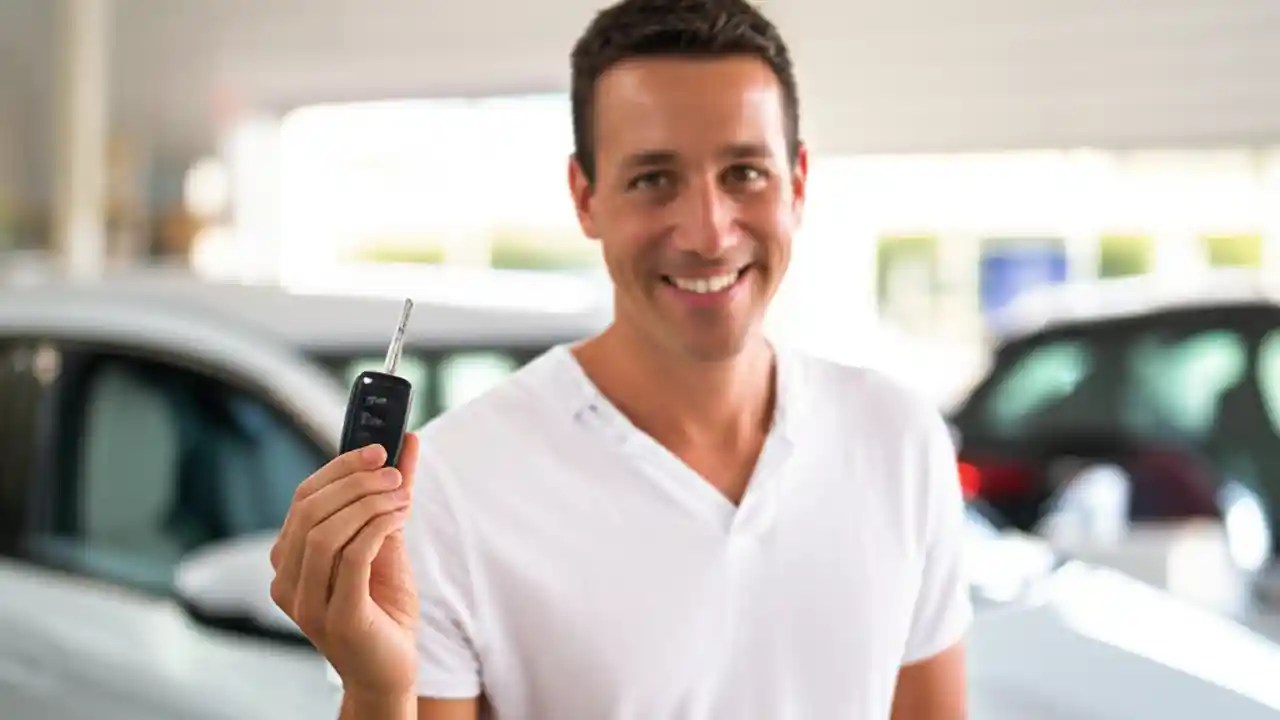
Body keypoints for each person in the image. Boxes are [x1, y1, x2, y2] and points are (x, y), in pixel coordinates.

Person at [268, 0, 971, 717]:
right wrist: (379, 689)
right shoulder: (452, 488)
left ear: (797, 183)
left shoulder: (899, 438)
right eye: (653, 179)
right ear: (587, 196)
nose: (707, 232)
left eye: (745, 173)